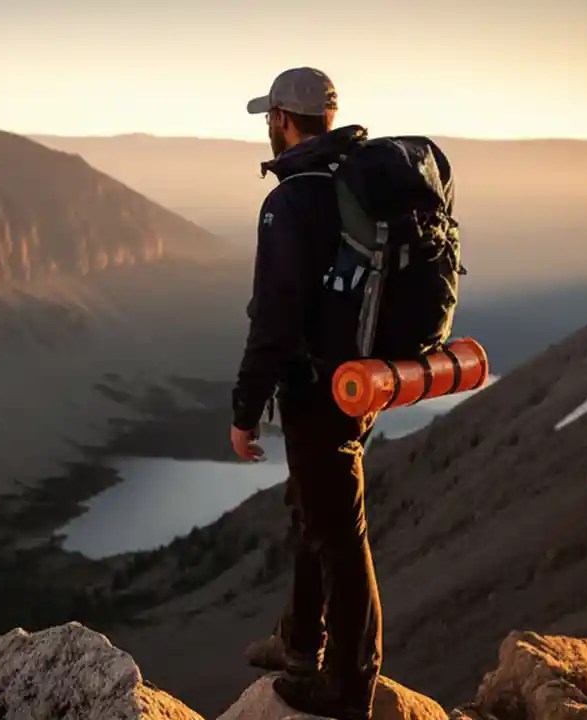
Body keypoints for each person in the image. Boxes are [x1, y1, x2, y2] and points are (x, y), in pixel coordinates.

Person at [229, 67, 382, 720]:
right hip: (360, 383)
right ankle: (299, 642)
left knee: (340, 535)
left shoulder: (289, 202)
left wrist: (245, 412)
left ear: (284, 123)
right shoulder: (354, 186)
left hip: (318, 390)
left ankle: (349, 689)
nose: (269, 128)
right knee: (313, 513)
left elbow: (276, 318)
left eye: (272, 119)